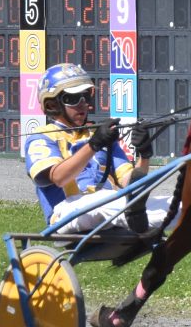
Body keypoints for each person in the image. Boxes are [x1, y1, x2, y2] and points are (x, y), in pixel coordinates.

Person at [22, 63, 152, 233]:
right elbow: (59, 178)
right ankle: (135, 217)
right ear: (52, 105)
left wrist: (144, 154)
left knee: (173, 204)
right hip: (66, 213)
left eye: (86, 96)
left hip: (109, 205)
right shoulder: (41, 137)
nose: (83, 104)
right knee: (110, 202)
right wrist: (94, 145)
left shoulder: (99, 135)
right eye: (73, 98)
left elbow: (130, 183)